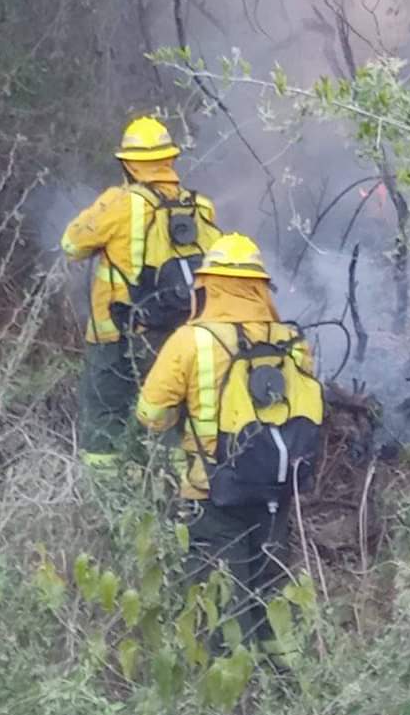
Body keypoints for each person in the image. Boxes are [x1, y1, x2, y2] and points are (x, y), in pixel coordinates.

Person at [136, 232, 324, 653]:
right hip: (276, 488)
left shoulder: (191, 340)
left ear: (207, 285)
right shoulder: (292, 342)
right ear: (259, 287)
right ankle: (283, 684)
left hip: (210, 491)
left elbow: (150, 415)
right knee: (271, 592)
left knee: (220, 599)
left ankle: (228, 696)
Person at [61, 116, 220, 471]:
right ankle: (178, 499)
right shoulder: (201, 207)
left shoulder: (120, 203)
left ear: (128, 164)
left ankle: (109, 498)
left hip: (116, 336)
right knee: (174, 419)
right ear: (170, 161)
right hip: (180, 334)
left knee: (105, 416)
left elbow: (71, 243)